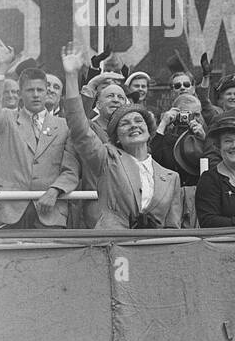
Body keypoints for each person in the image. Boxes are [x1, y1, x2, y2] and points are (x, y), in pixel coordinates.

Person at [58, 47, 182, 229]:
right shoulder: (107, 160)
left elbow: (173, 228)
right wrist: (71, 76)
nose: (133, 125)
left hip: (153, 252)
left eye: (138, 121)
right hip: (111, 246)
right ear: (116, 136)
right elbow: (78, 125)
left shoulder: (171, 177)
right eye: (125, 123)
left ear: (149, 130)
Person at [0, 36, 80, 229]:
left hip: (49, 212)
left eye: (40, 90)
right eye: (30, 90)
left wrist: (55, 190)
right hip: (7, 212)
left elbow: (71, 169)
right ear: (20, 93)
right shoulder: (8, 119)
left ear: (46, 91)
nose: (35, 94)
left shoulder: (63, 125)